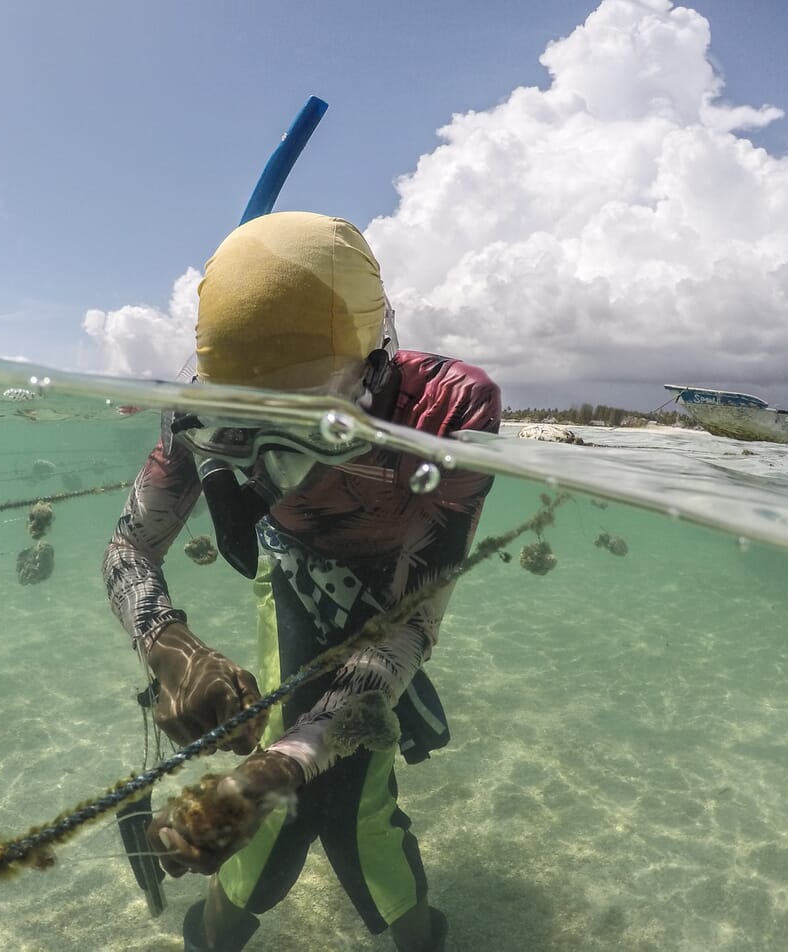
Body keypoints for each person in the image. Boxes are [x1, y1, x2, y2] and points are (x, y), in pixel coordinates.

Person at [102, 211, 501, 951]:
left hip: (389, 599)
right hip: (289, 579)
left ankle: (227, 932)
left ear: (378, 369)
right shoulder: (197, 410)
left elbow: (412, 622)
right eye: (246, 424)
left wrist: (271, 770)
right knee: (290, 830)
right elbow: (129, 548)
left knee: (348, 814)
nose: (267, 463)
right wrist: (170, 647)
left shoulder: (447, 407)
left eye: (310, 426)